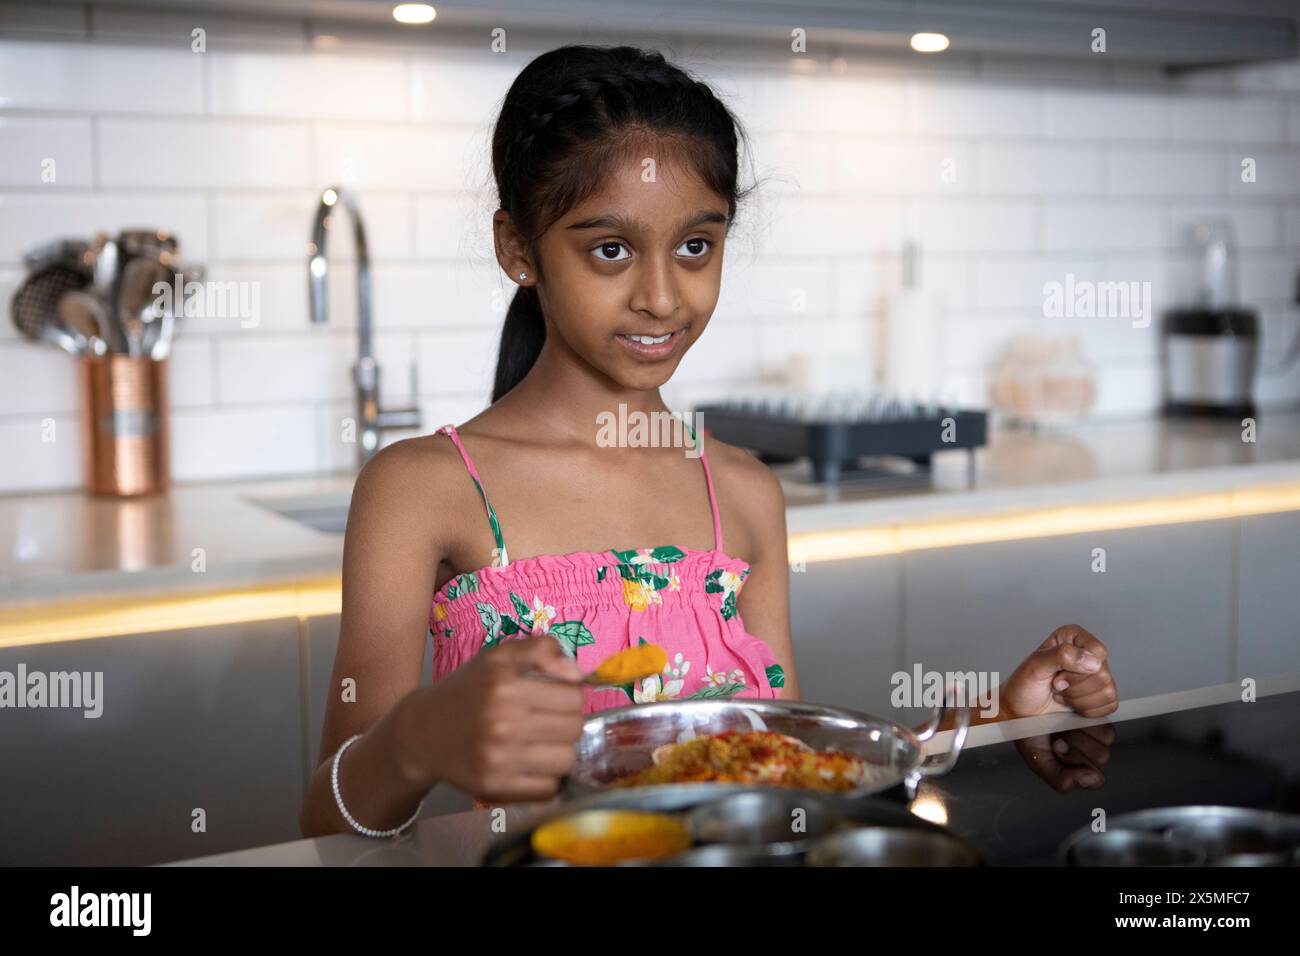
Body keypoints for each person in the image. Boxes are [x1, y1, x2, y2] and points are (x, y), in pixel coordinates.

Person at [299, 45, 1118, 839]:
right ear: (518, 248)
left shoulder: (743, 494)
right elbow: (329, 827)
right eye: (610, 250)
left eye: (696, 245)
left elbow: (787, 772)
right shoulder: (423, 489)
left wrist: (1000, 717)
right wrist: (415, 738)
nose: (661, 296)